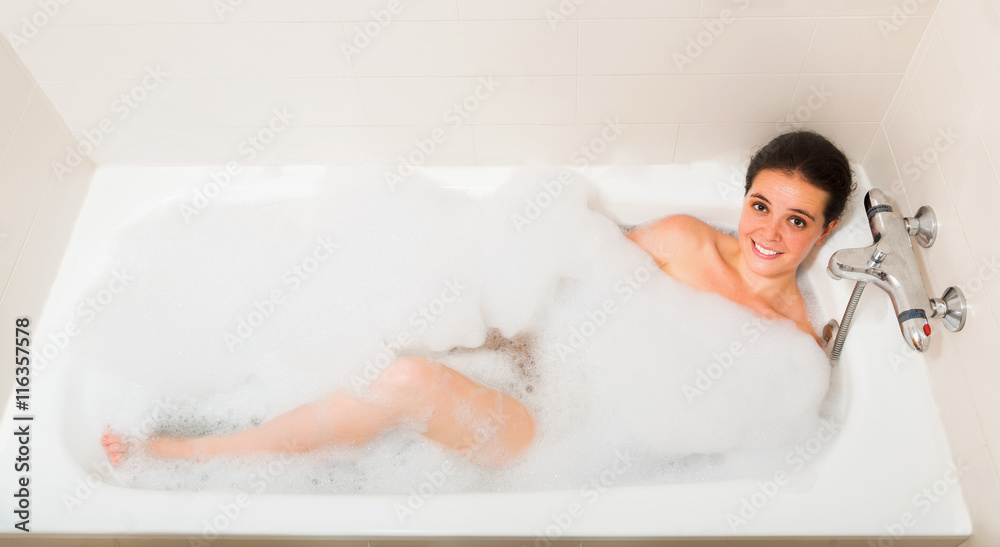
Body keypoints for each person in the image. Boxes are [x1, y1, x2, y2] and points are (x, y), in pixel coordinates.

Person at [101, 130, 854, 469]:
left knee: (404, 381)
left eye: (796, 220)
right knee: (394, 299)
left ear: (823, 232)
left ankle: (189, 450)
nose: (768, 232)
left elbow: (711, 422)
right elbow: (578, 260)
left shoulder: (790, 347)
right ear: (744, 197)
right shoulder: (682, 238)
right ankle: (234, 382)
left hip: (560, 433)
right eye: (761, 205)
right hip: (539, 350)